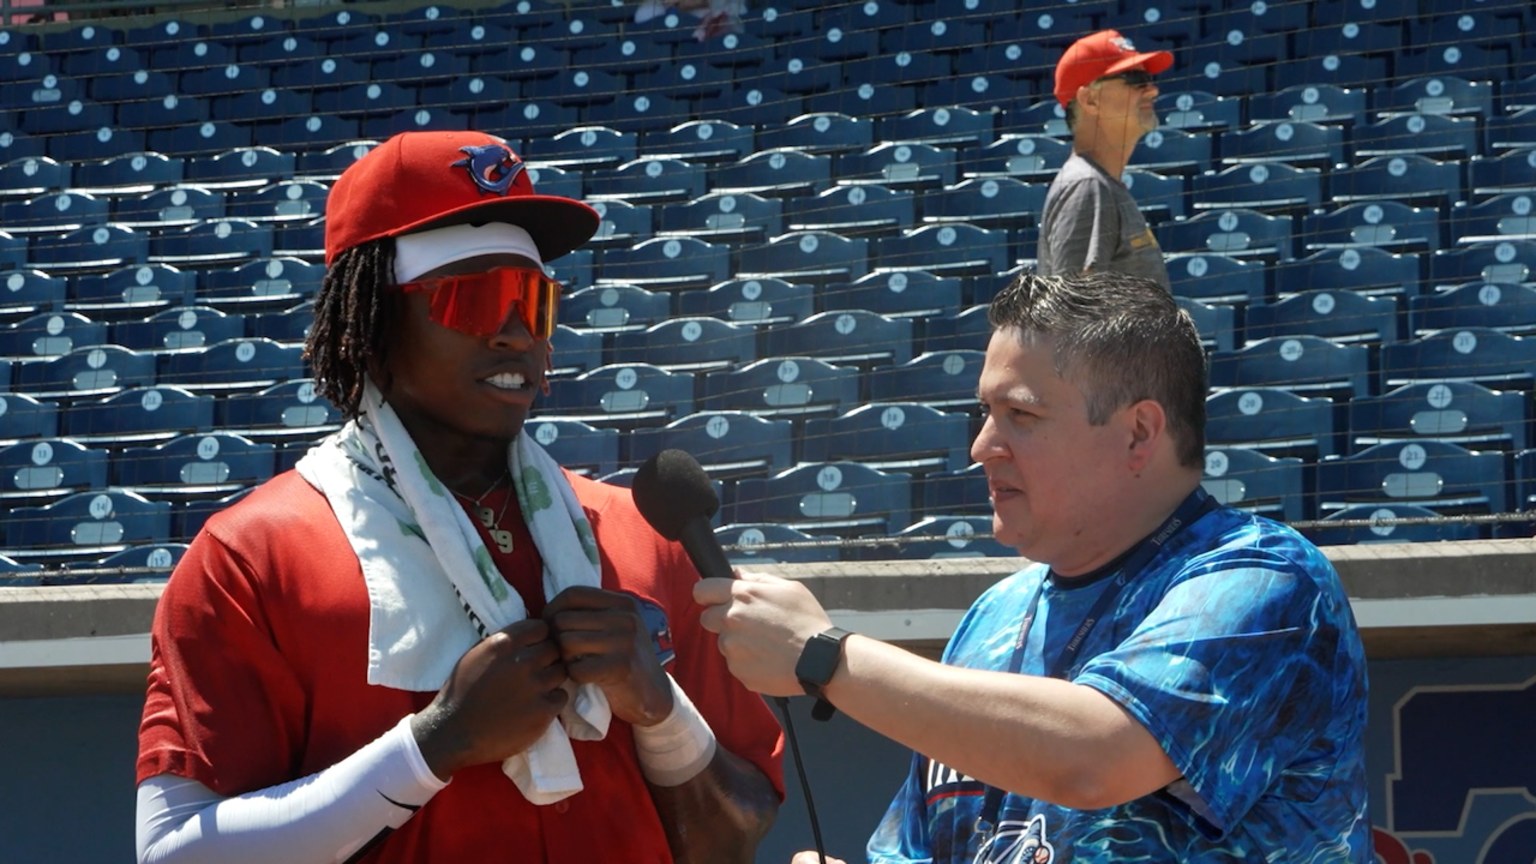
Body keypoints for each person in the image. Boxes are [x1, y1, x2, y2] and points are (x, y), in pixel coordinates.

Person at [135, 129, 784, 864]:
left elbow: (734, 835)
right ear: (375, 325)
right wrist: (435, 745)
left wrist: (659, 710)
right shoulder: (253, 556)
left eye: (534, 302)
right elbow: (175, 852)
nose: (516, 336)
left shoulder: (642, 536)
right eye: (475, 299)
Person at [696, 271, 1370, 862]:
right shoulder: (996, 613)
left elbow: (1094, 758)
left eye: (1021, 414)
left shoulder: (1266, 578)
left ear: (1139, 433)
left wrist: (826, 656)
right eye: (986, 413)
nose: (982, 447)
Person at [1036, 30, 1174, 290]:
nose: (1153, 90)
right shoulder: (1087, 187)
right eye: (1135, 79)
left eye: (1149, 79)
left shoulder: (1099, 183)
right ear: (1090, 100)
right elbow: (1070, 318)